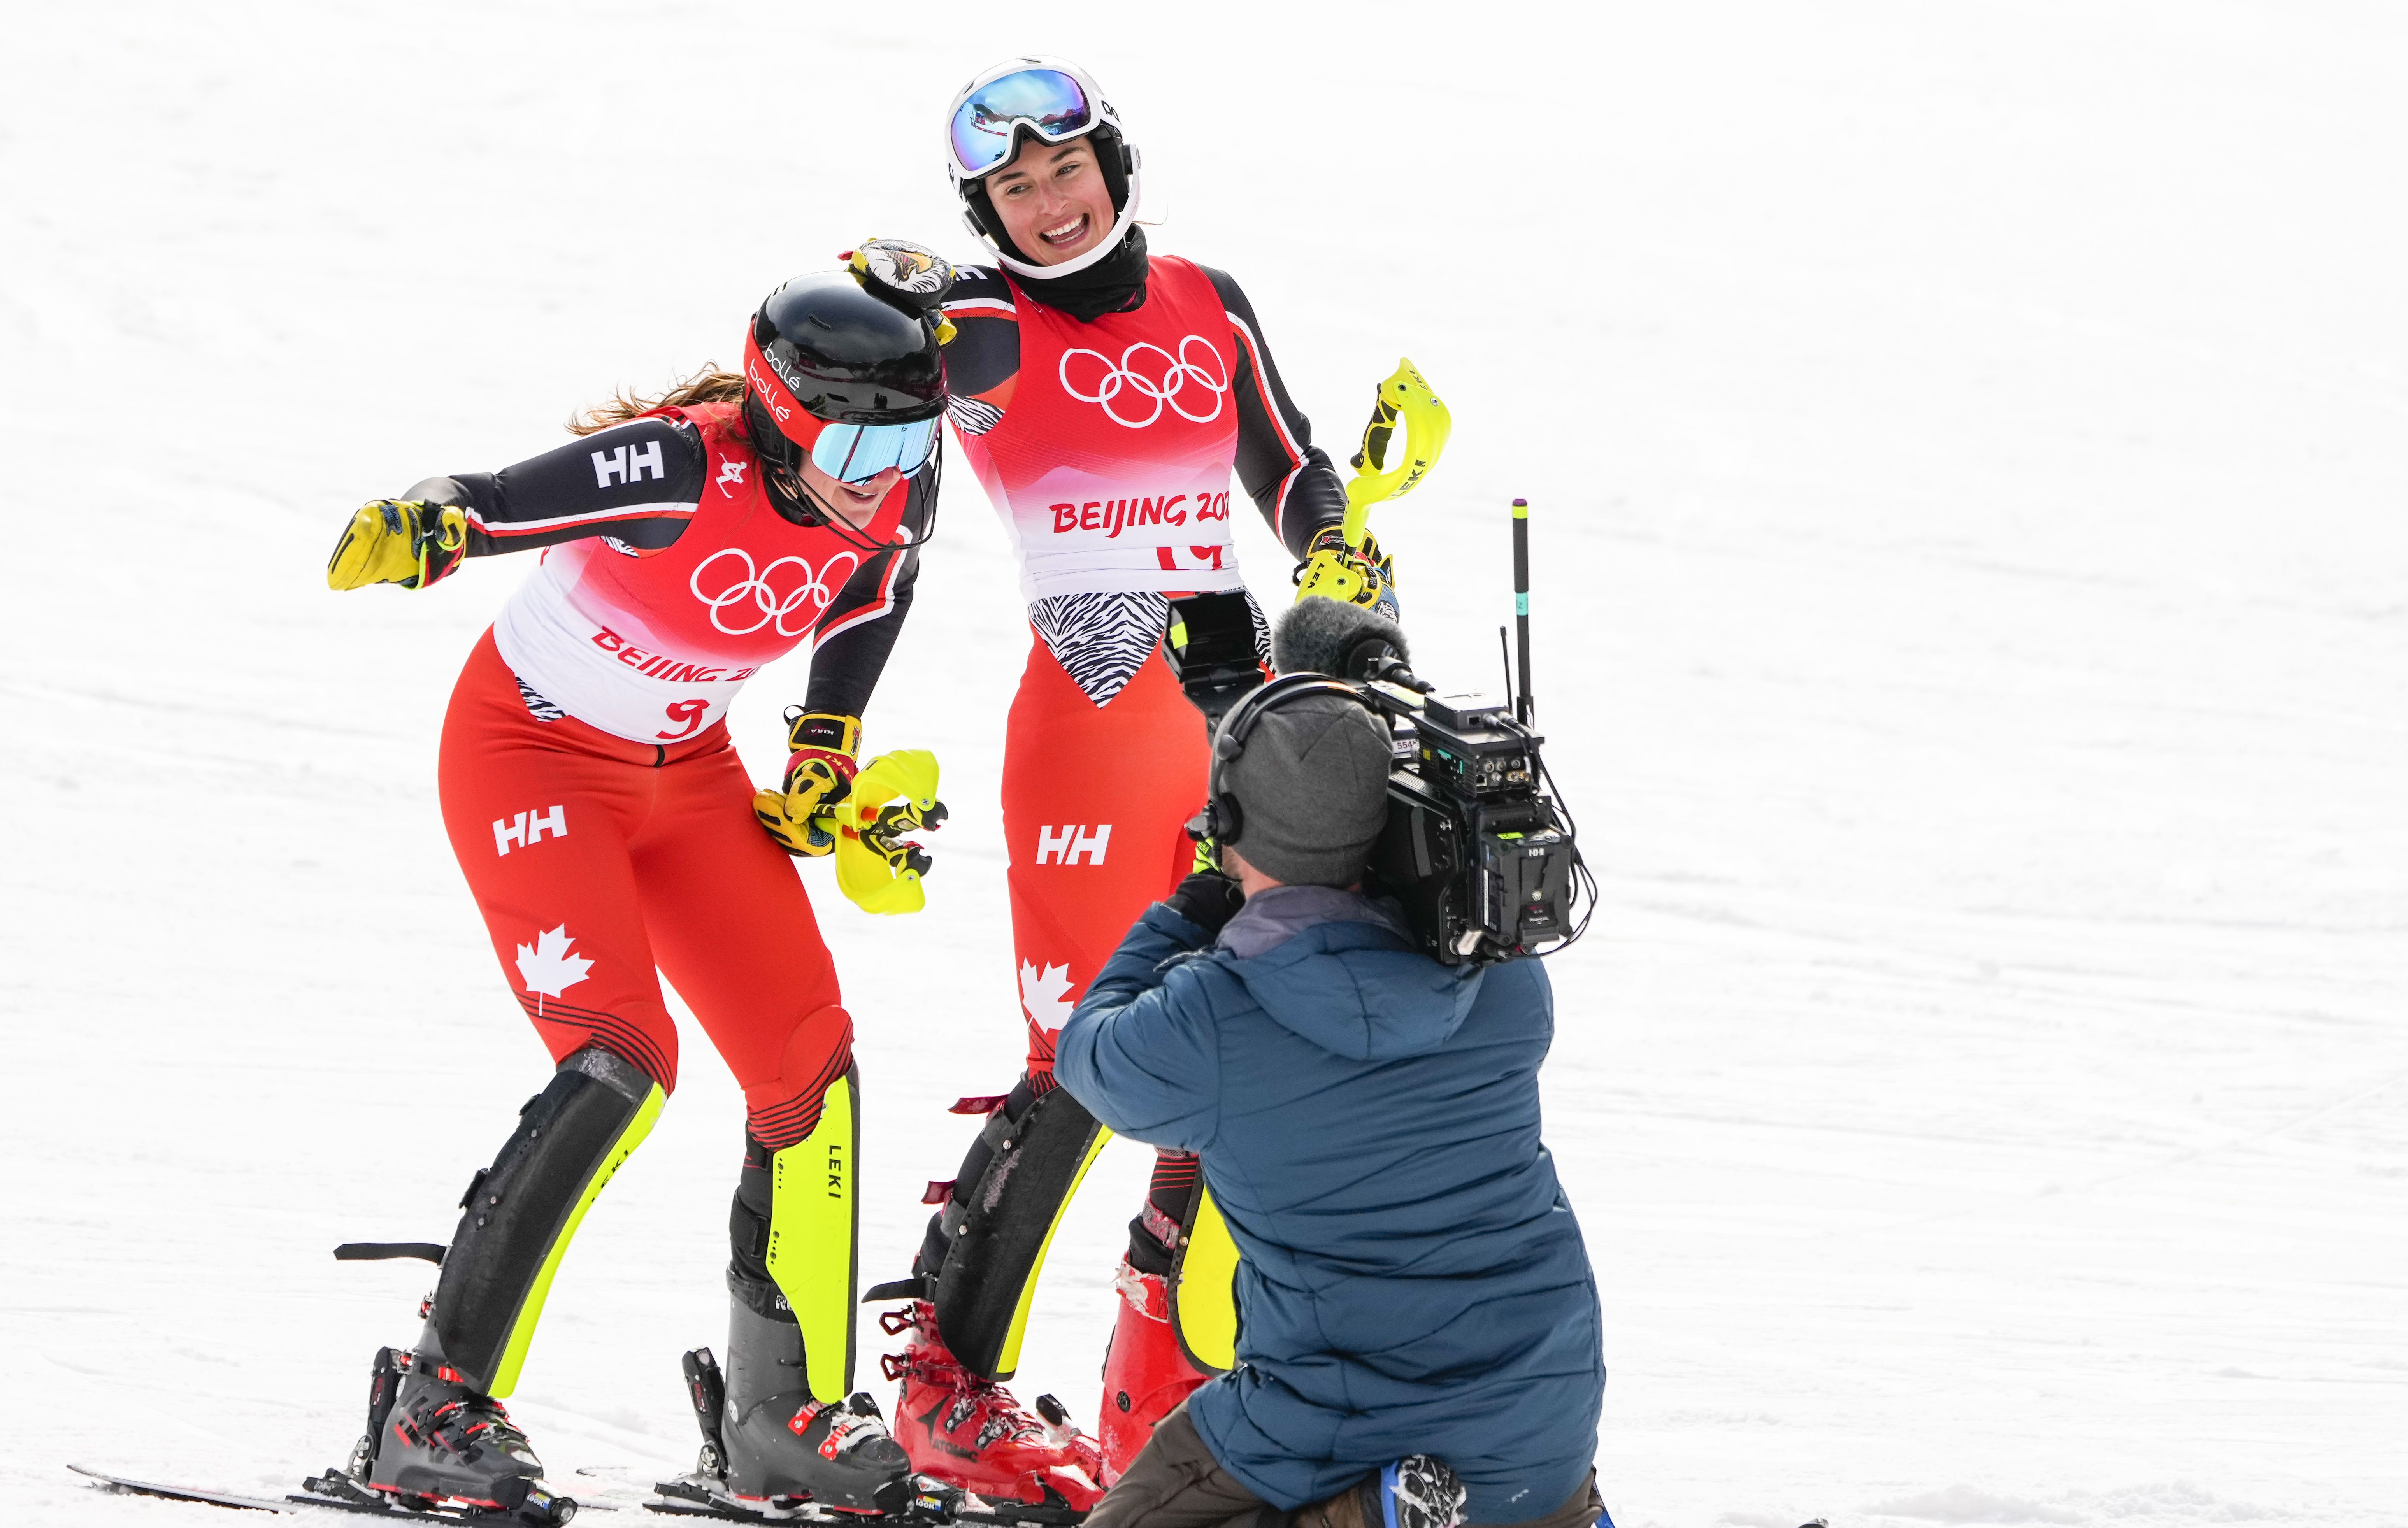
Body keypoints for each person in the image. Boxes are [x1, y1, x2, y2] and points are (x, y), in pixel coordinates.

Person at [317, 262, 955, 1523]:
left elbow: (874, 592)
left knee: (808, 1064)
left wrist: (824, 747)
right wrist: (423, 527)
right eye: (853, 441)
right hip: (531, 752)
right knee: (621, 1058)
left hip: (688, 773)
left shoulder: (893, 489)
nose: (882, 472)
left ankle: (781, 1420)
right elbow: (492, 500)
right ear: (780, 413)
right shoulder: (675, 466)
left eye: (909, 441)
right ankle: (430, 1407)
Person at [864, 57, 1401, 1511]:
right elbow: (866, 368)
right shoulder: (988, 324)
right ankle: (944, 1380)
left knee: (1245, 1030)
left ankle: (1160, 1371)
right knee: (1080, 1057)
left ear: (1114, 163)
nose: (1049, 204)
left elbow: (1285, 463)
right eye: (1013, 187)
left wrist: (1336, 546)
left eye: (1066, 169)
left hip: (1233, 699)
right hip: (1093, 708)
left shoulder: (1205, 300)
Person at [1052, 675, 1613, 1528]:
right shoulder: (1503, 975)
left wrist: (1182, 916)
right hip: (1546, 1421)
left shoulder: (1211, 1021)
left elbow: (1087, 1054)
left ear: (1228, 824)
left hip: (1337, 1419)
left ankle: (1365, 1515)